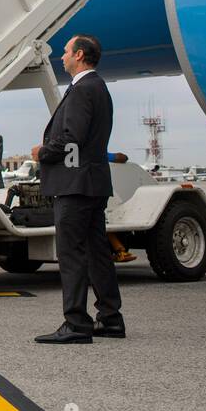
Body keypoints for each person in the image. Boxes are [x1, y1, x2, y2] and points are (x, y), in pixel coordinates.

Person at [32, 35, 125, 344]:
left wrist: (43, 152)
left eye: (66, 51)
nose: (62, 56)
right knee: (98, 252)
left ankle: (76, 324)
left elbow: (72, 138)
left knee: (72, 254)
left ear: (80, 55)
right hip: (93, 182)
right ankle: (110, 319)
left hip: (75, 185)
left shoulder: (82, 90)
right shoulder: (98, 87)